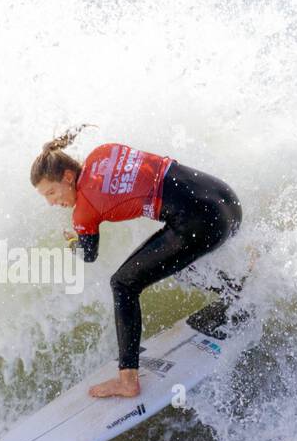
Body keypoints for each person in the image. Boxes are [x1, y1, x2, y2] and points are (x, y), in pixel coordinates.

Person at [31, 125, 244, 398]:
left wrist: (73, 242)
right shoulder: (102, 153)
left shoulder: (84, 211)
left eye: (51, 192)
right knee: (174, 263)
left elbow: (89, 254)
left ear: (68, 177)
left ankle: (127, 380)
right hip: (225, 200)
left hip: (201, 221)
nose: (51, 202)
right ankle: (239, 287)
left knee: (123, 284)